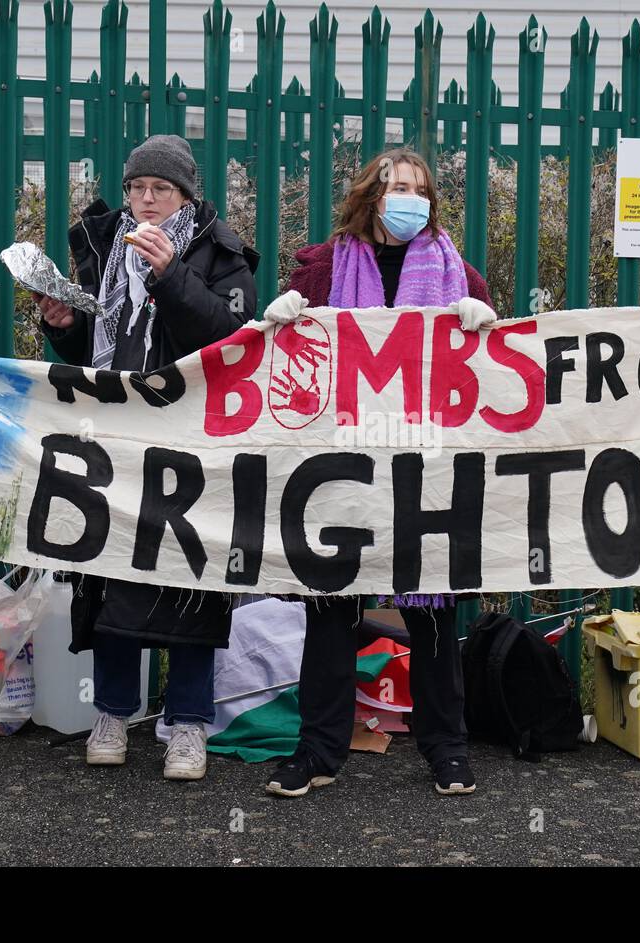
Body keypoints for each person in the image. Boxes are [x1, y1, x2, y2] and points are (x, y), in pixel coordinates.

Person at [259, 147, 496, 797]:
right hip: (343, 463)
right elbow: (283, 367)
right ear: (370, 195)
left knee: (433, 615)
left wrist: (485, 326)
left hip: (427, 463)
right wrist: (275, 326)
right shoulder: (324, 269)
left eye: (419, 189)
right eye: (396, 187)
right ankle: (318, 751)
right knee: (331, 611)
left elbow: (491, 373)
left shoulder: (459, 274)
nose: (408, 199)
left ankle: (447, 749)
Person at [34, 134, 259, 781]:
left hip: (193, 446)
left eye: (160, 189)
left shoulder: (221, 255)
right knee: (112, 576)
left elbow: (227, 341)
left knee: (191, 581)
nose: (145, 200)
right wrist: (62, 324)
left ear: (187, 195)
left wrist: (170, 276)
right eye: (136, 188)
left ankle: (187, 727)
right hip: (117, 440)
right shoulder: (105, 249)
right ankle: (111, 714)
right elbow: (87, 356)